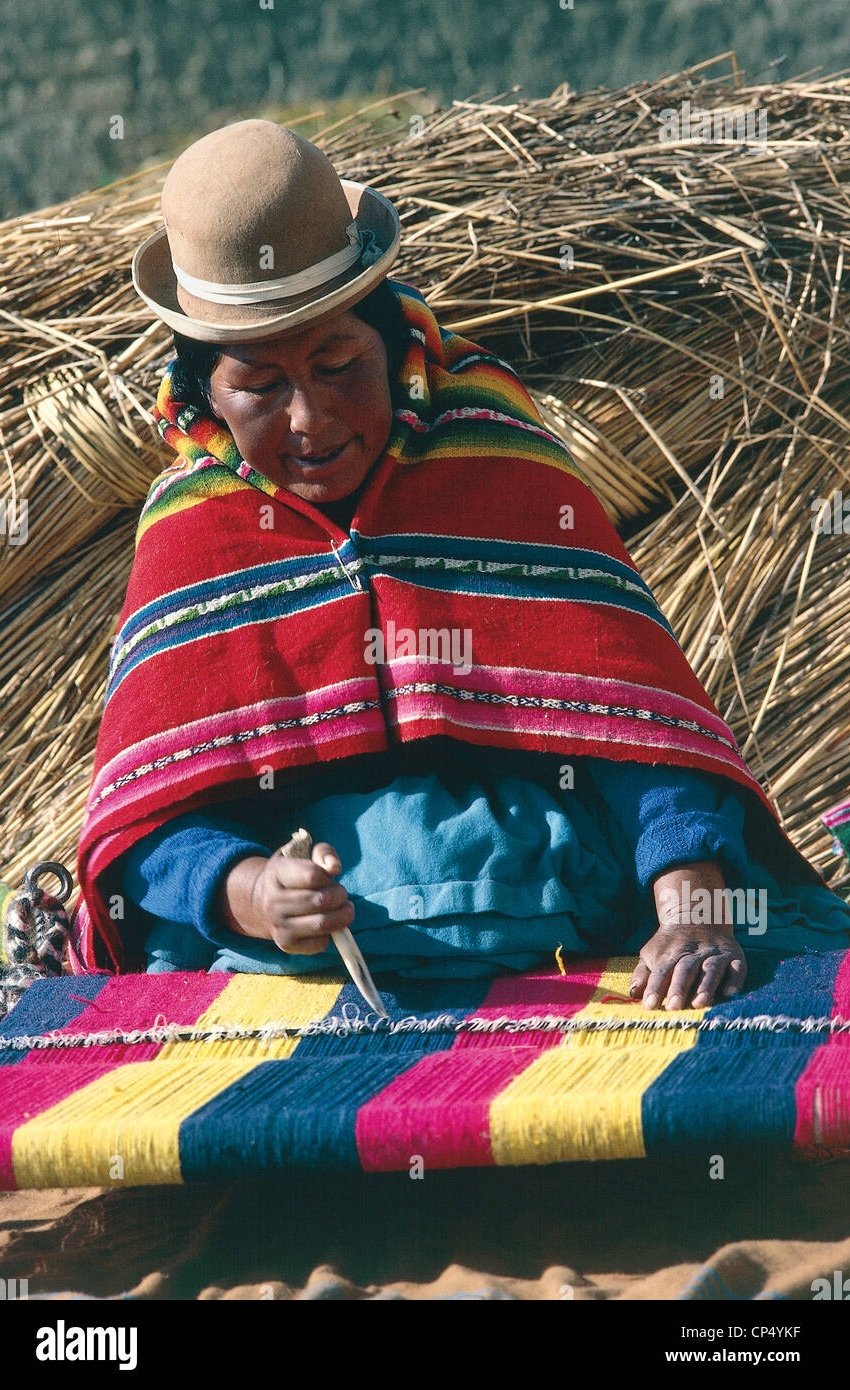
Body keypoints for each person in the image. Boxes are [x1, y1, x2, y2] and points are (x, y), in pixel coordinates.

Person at [73, 119, 850, 1010]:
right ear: (205, 392)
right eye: (259, 388)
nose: (309, 420)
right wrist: (247, 891)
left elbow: (632, 721)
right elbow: (150, 821)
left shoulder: (491, 456)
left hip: (555, 907)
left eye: (338, 366)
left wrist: (689, 903)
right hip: (291, 967)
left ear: (391, 342)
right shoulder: (195, 529)